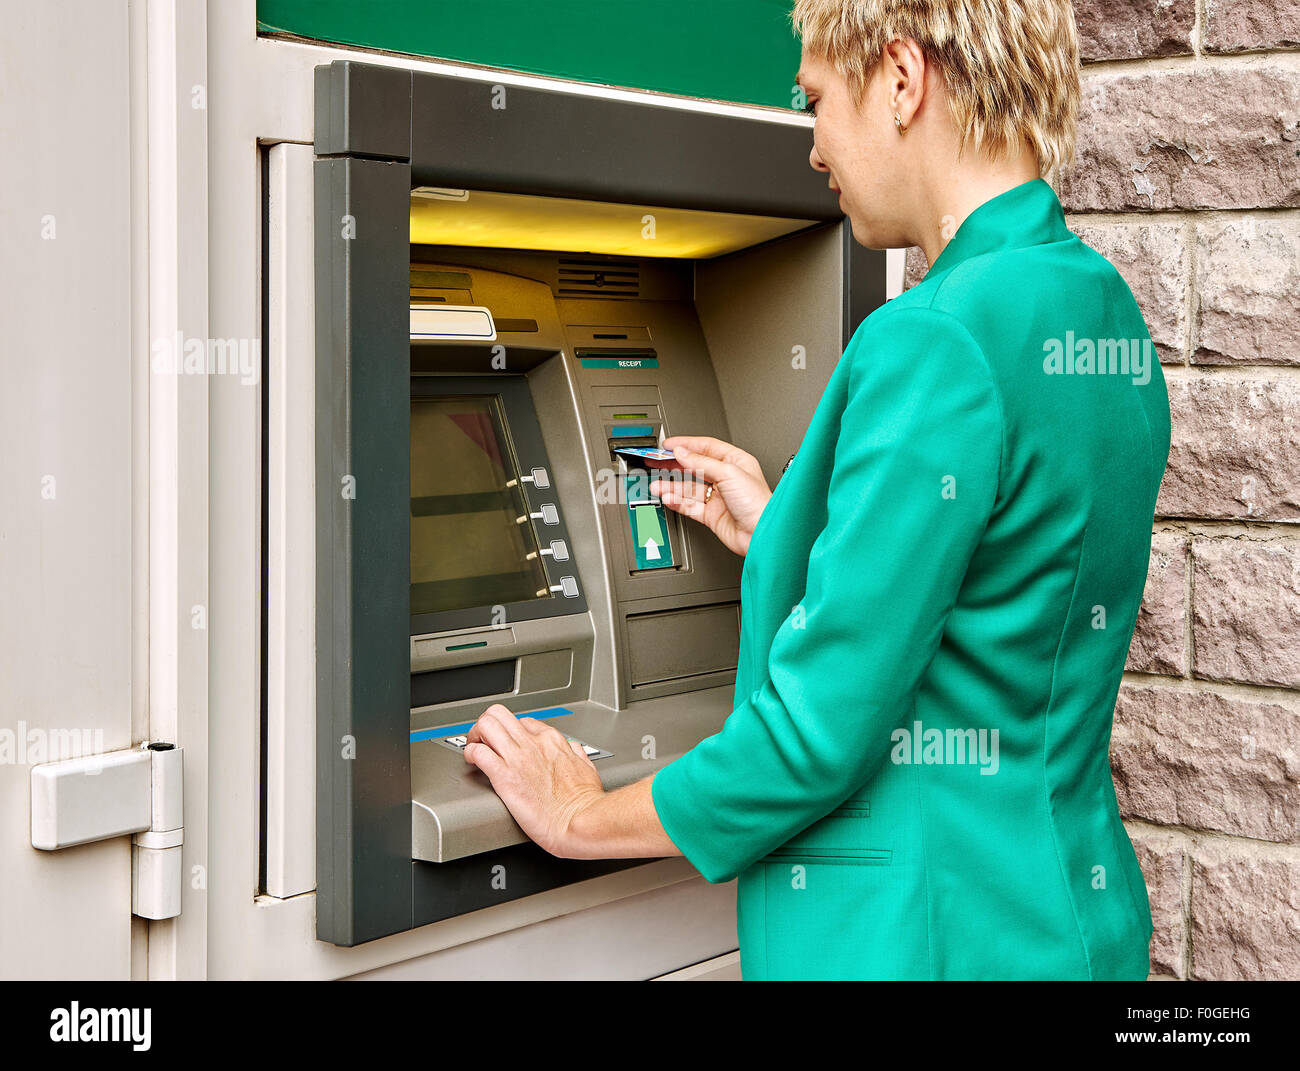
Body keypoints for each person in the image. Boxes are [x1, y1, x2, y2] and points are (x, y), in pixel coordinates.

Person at [462, 0, 1170, 980]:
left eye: (816, 99)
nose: (812, 147)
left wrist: (579, 813)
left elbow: (811, 742)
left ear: (900, 78)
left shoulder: (934, 337)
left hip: (912, 938)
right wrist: (788, 540)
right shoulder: (1098, 312)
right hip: (1057, 918)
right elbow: (1003, 588)